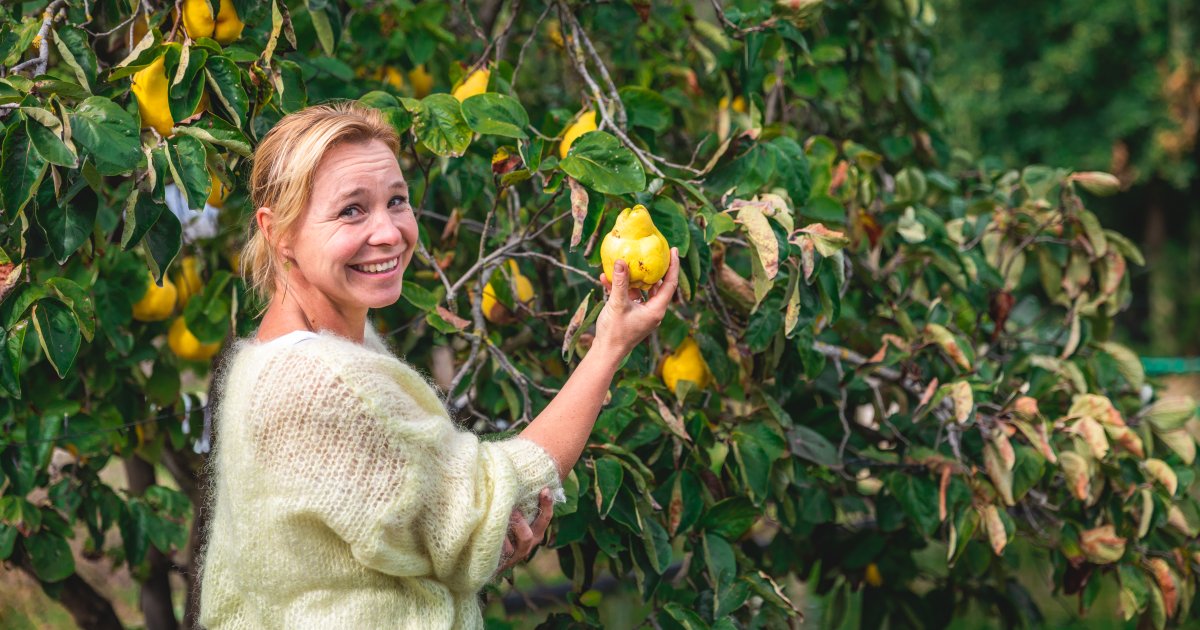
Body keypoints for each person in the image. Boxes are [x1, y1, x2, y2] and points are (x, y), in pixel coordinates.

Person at [197, 101, 679, 629]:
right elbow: (481, 508)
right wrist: (611, 345)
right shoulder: (321, 380)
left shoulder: (275, 358)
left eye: (396, 200)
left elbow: (402, 531)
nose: (388, 231)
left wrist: (477, 537)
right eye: (352, 210)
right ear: (279, 232)